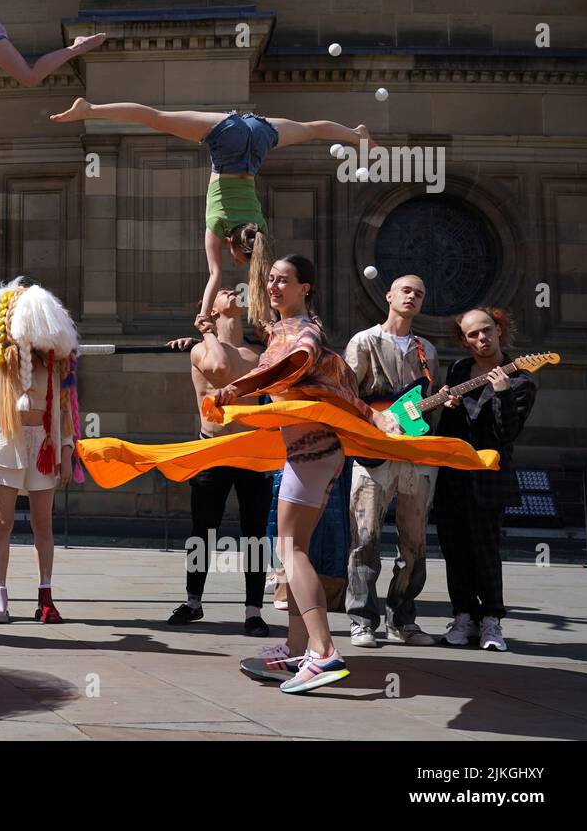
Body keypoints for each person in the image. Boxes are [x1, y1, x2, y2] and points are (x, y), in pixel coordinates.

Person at [77, 256, 498, 693]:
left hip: (312, 453)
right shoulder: (282, 329)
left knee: (291, 551)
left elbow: (291, 363)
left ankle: (323, 652)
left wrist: (237, 388)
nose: (274, 287)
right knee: (294, 551)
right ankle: (298, 646)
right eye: (271, 280)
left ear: (305, 288)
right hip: (307, 453)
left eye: (285, 281)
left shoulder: (303, 331)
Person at [49, 97, 369, 326]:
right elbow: (215, 276)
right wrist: (202, 316)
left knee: (311, 129)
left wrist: (271, 316)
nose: (234, 261)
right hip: (227, 141)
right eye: (237, 258)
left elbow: (263, 275)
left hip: (257, 136)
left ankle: (356, 135)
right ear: (233, 244)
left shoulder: (259, 227)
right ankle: (89, 109)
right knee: (156, 118)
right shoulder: (217, 224)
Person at [0, 278, 81, 624]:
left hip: (43, 448)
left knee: (42, 523)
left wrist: (66, 452)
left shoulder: (56, 365)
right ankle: (0, 595)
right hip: (6, 445)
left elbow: (63, 412)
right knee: (2, 522)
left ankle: (45, 595)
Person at [343, 275, 440, 648]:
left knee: (414, 543)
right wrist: (378, 418)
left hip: (415, 456)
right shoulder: (364, 341)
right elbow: (347, 395)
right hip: (373, 454)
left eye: (420, 292)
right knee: (364, 539)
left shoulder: (426, 351)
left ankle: (402, 619)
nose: (413, 296)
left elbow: (423, 403)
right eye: (407, 290)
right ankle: (361, 620)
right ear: (389, 295)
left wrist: (440, 403)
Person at [169, 288, 271, 637]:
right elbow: (220, 368)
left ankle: (254, 611)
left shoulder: (259, 353)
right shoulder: (201, 348)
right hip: (212, 448)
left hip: (253, 450)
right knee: (203, 531)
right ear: (210, 310)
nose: (233, 291)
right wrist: (206, 332)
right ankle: (193, 602)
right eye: (223, 291)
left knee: (255, 534)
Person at [435, 307, 538, 653]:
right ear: (464, 340)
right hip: (453, 478)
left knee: (486, 553)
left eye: (487, 331)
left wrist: (504, 394)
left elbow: (506, 433)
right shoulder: (460, 371)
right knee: (454, 550)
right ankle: (464, 615)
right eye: (473, 334)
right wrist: (449, 409)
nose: (482, 338)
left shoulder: (522, 380)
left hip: (489, 479)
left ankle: (491, 620)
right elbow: (448, 433)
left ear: (498, 330)